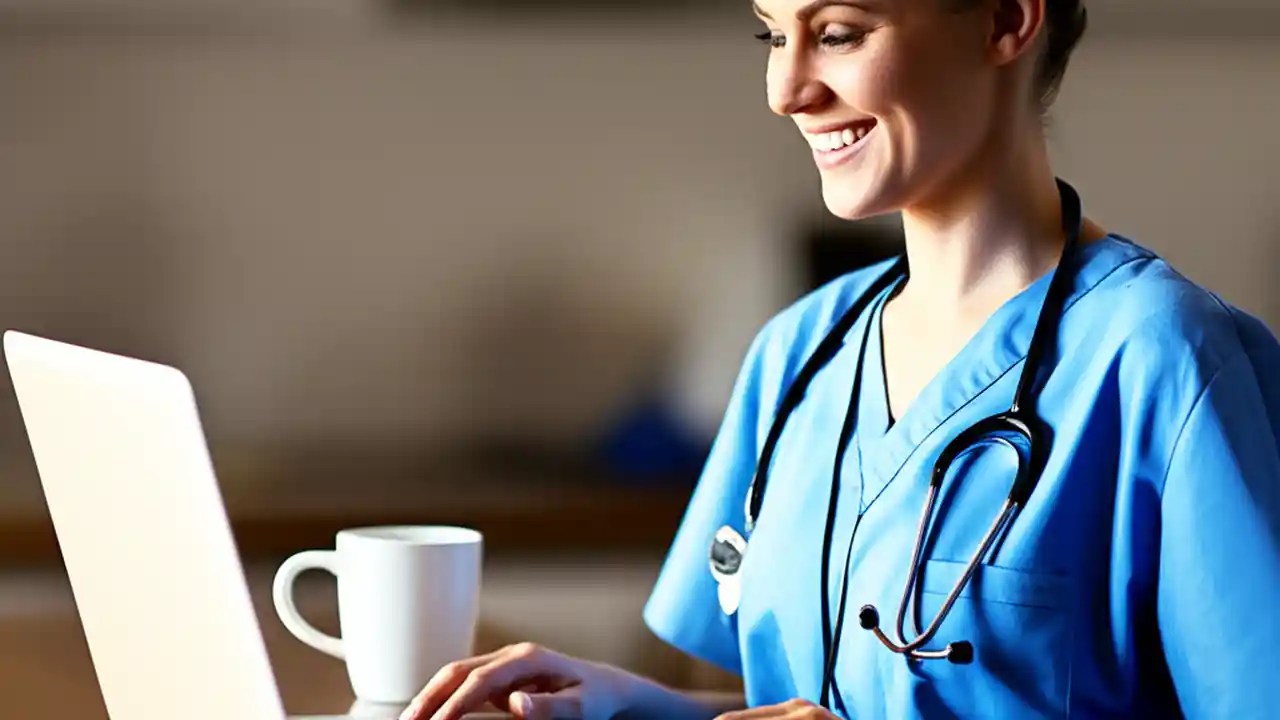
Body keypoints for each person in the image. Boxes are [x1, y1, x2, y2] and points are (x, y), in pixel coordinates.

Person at [400, 0, 1280, 717]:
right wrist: (630, 707)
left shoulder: (1168, 361)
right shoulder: (799, 353)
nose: (785, 89)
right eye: (771, 35)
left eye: (838, 34)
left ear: (1008, 21)